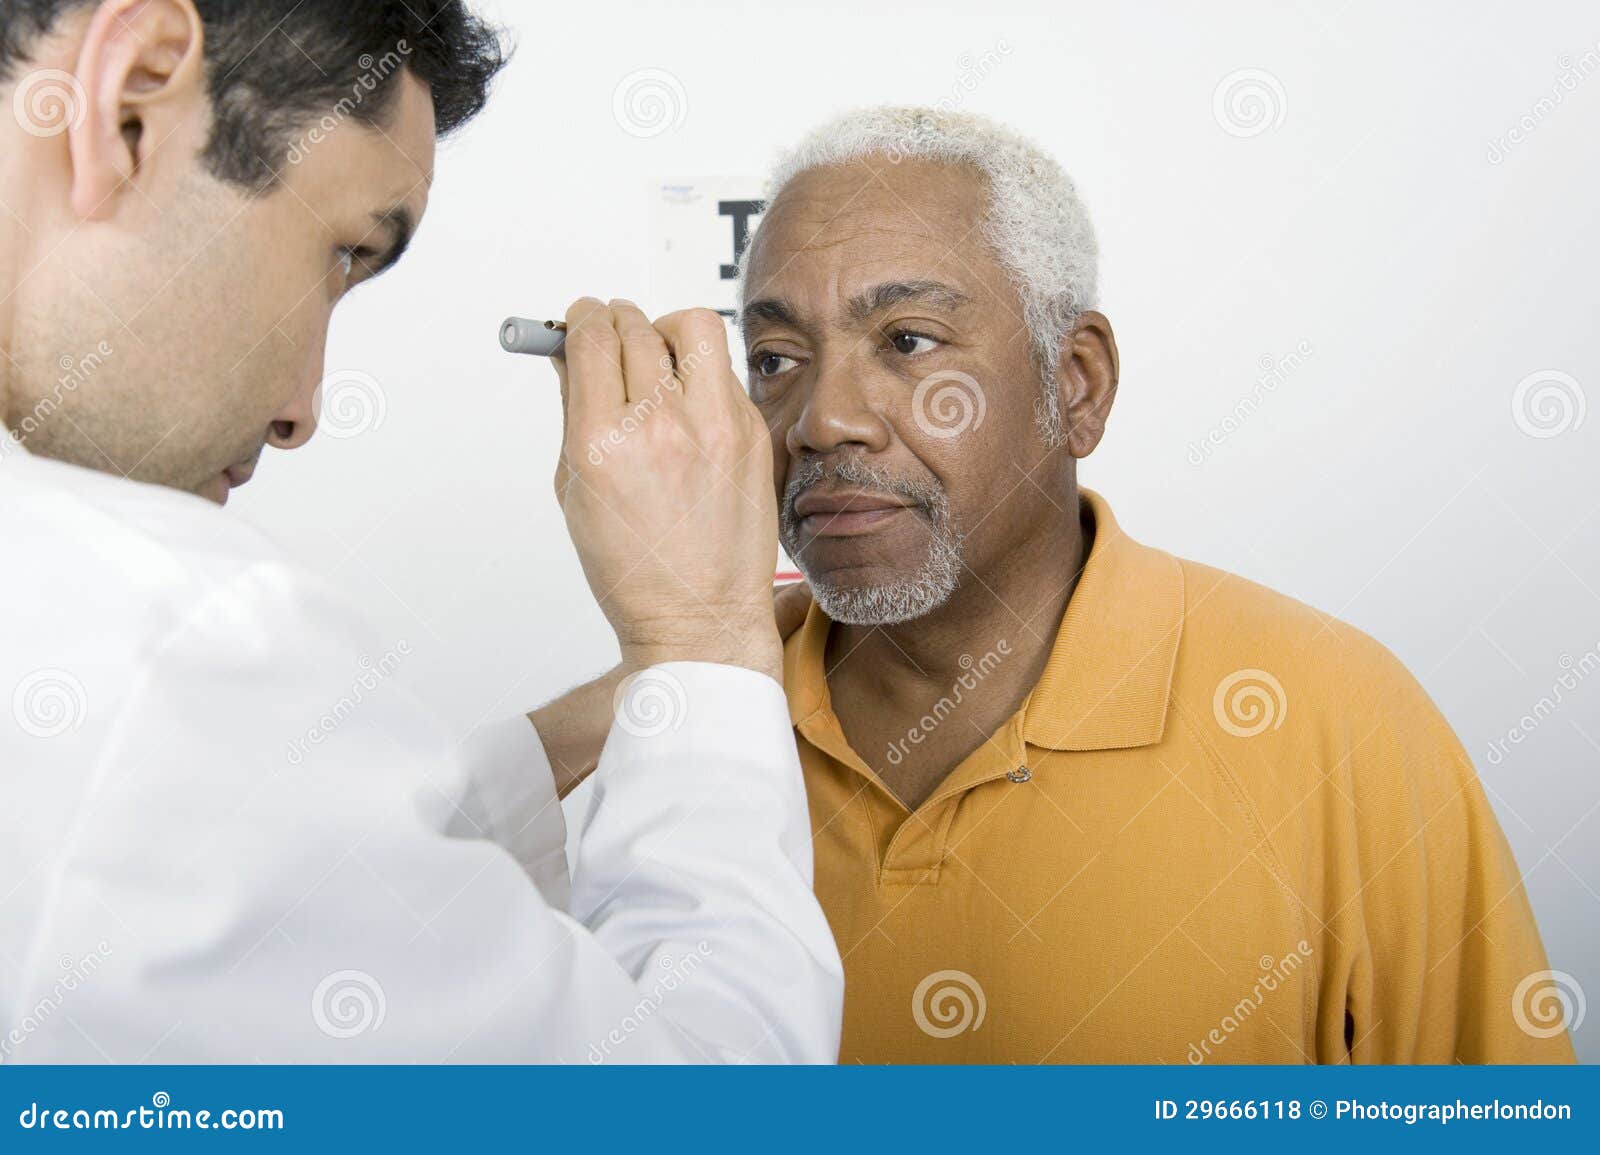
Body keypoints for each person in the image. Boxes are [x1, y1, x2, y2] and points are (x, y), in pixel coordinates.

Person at [0, 0, 840, 1063]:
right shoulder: (163, 648)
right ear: (132, 104)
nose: (301, 408)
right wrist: (704, 644)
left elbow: (271, 877)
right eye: (343, 252)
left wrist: (640, 704)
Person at [732, 106, 1575, 1064]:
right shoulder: (696, 730)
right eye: (775, 361)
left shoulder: (1335, 715)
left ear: (1077, 385)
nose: (822, 421)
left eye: (909, 341)